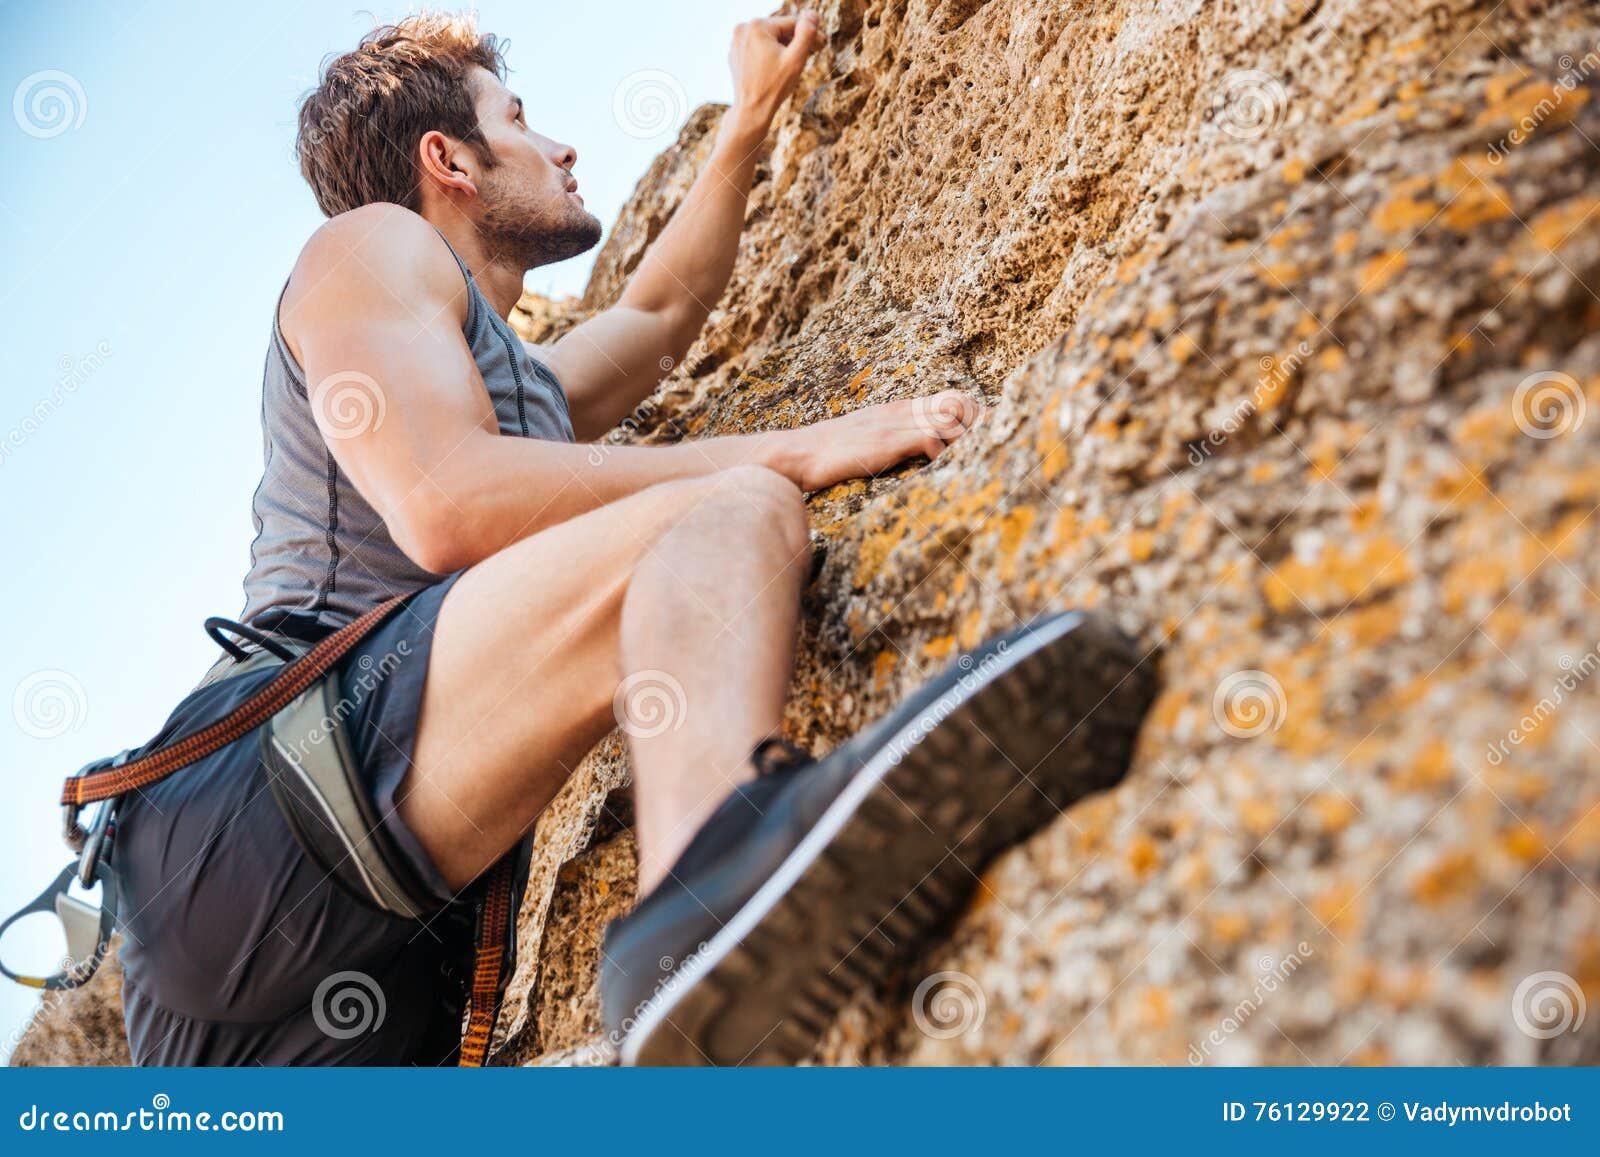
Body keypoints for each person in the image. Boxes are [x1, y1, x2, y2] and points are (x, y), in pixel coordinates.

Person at [111, 8, 1150, 1067]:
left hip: (321, 949)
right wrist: (795, 451)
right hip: (261, 809)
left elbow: (658, 315)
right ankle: (699, 899)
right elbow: (445, 501)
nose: (560, 147)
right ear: (447, 159)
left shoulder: (519, 388)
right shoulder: (369, 247)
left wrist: (749, 122)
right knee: (724, 506)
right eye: (517, 118)